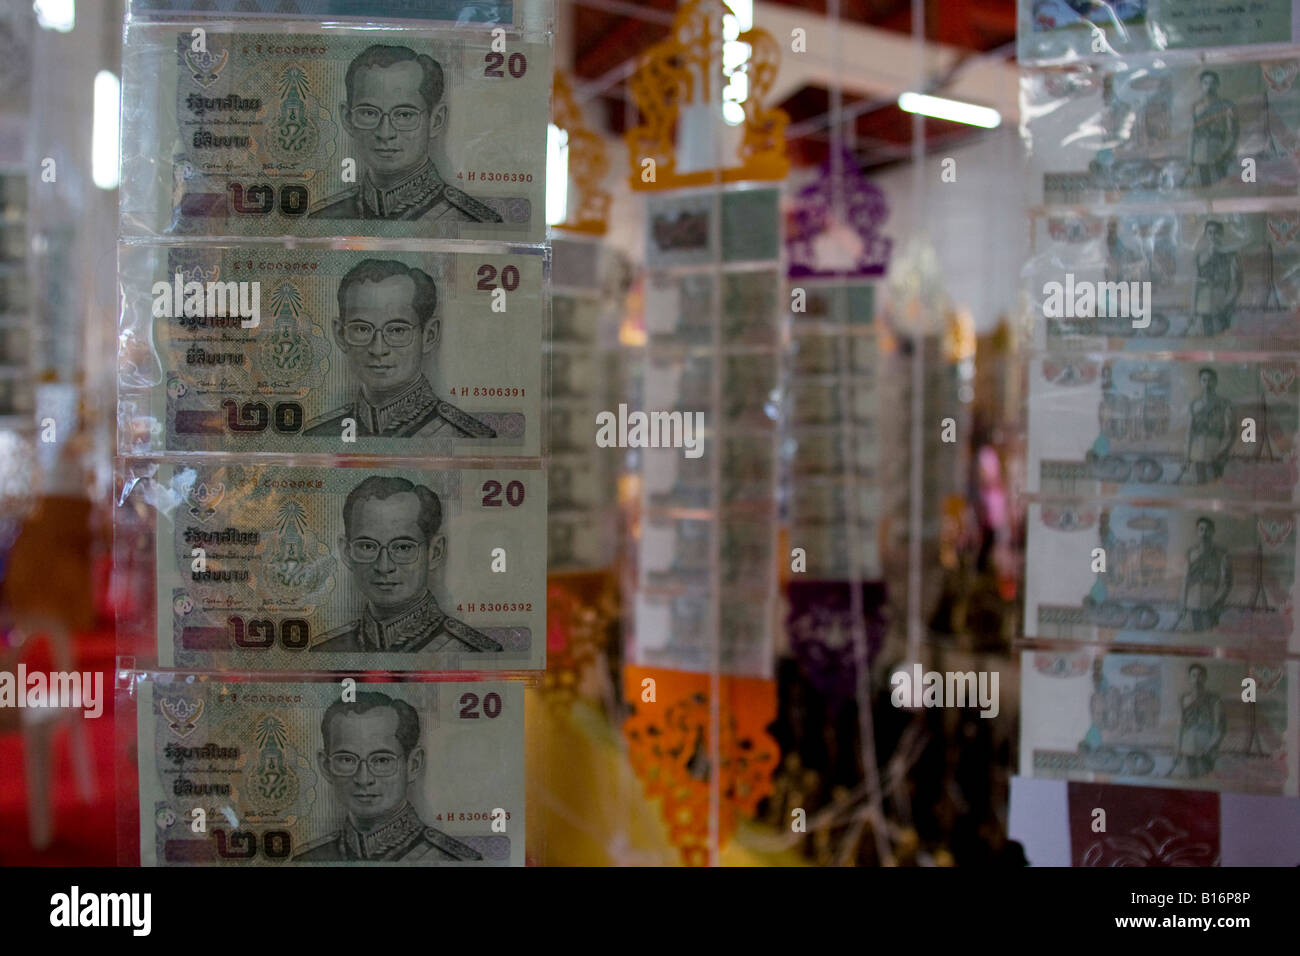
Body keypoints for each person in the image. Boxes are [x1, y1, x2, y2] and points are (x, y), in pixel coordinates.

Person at [303, 259, 496, 439]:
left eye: (397, 330)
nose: (378, 349)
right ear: (340, 335)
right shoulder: (317, 434)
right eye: (362, 329)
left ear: (429, 335)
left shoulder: (467, 437)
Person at [310, 44, 503, 222]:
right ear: (347, 118)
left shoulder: (472, 221)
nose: (385, 133)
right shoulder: (322, 217)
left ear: (435, 121)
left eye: (404, 115)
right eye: (368, 113)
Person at [311, 475, 503, 652]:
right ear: (346, 552)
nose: (384, 566)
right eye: (368, 546)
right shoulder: (324, 651)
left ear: (434, 552)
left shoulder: (475, 653)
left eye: (403, 548)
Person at [293, 692, 482, 861]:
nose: (363, 778)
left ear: (413, 764)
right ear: (326, 766)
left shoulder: (454, 861)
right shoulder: (306, 859)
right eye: (347, 759)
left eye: (382, 760)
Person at [1168, 663, 1227, 778]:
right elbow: (1180, 726)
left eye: (1200, 676)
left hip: (1206, 745)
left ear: (1205, 678)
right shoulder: (1183, 700)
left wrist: (1209, 748)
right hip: (1187, 746)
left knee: (1205, 776)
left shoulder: (1214, 700)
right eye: (1193, 675)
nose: (1196, 679)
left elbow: (1219, 728)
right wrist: (1177, 749)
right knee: (1190, 777)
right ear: (1189, 678)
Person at [1181, 367, 1234, 483]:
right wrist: (1187, 456)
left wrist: (1221, 451)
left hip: (1215, 448)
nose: (1207, 384)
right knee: (1200, 484)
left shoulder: (1224, 404)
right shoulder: (1194, 405)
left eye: (1210, 380)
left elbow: (1229, 430)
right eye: (1204, 380)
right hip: (1198, 449)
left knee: (1216, 483)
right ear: (1200, 382)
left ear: (1215, 382)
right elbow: (1190, 431)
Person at [1180, 516, 1232, 629]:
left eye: (1207, 529)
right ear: (1197, 532)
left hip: (1211, 601)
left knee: (1209, 633)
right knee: (1194, 636)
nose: (1204, 533)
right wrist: (1182, 604)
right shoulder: (1191, 553)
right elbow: (1185, 580)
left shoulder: (1221, 554)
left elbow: (1227, 582)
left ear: (1213, 531)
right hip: (1192, 601)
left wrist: (1217, 601)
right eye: (1201, 529)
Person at [1188, 70, 1238, 187]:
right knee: (1201, 189)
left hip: (1219, 155)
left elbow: (1233, 133)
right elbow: (1192, 134)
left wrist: (1225, 155)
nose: (1209, 87)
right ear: (1201, 86)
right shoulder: (1196, 107)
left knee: (1220, 189)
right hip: (1199, 157)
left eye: (1212, 83)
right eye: (1205, 83)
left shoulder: (1227, 106)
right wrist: (1190, 160)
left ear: (1217, 85)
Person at [1192, 220, 1242, 336]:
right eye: (1210, 233)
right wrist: (1193, 309)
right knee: (1207, 336)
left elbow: (1236, 283)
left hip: (1222, 301)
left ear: (1221, 234)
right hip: (1204, 302)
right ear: (1205, 235)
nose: (1213, 236)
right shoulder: (1200, 257)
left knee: (1222, 334)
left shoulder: (1231, 255)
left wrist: (1227, 302)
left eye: (1216, 232)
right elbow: (1195, 284)